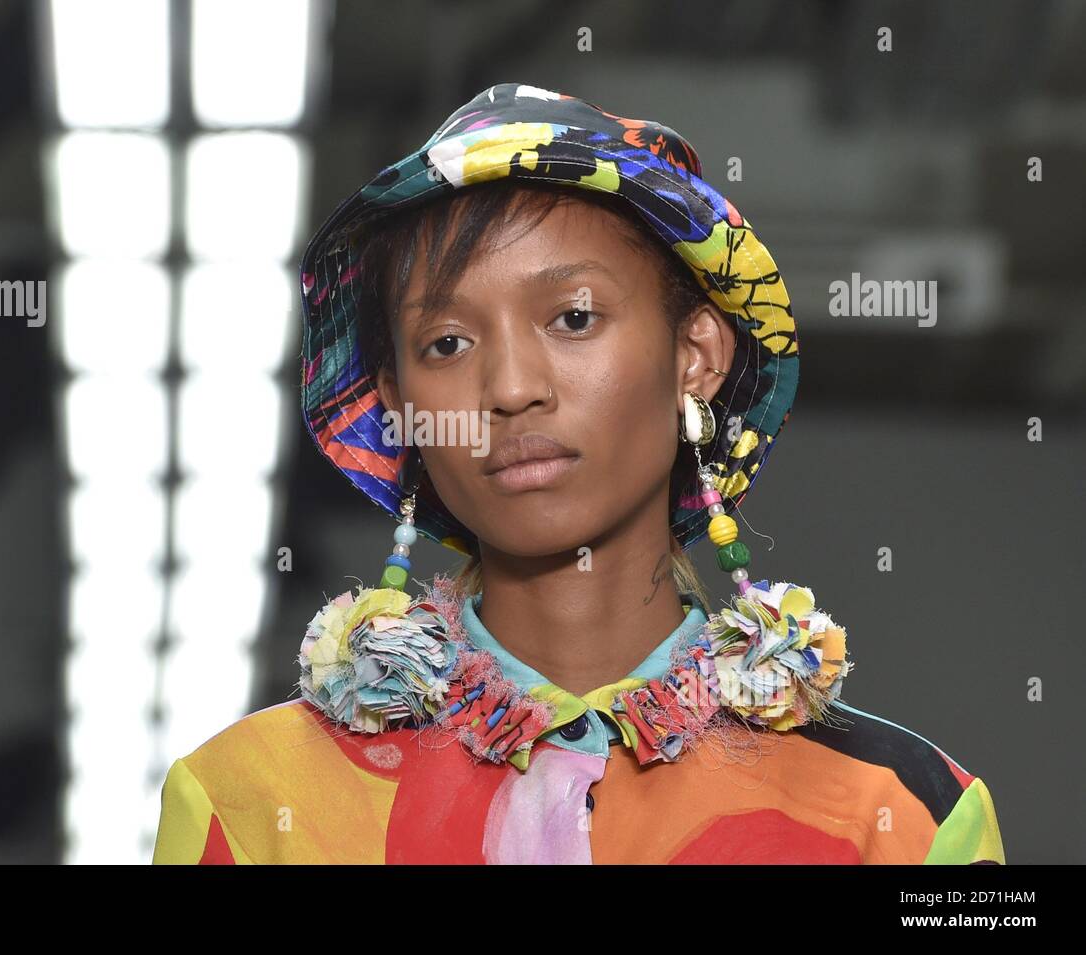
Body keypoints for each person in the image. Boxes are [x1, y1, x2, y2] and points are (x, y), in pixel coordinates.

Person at [151, 82, 1004, 864]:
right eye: (446, 342)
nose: (513, 388)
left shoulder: (902, 812)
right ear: (400, 404)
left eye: (574, 316)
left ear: (695, 357)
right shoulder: (250, 806)